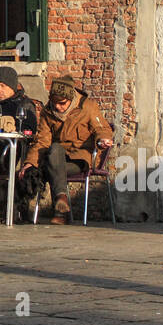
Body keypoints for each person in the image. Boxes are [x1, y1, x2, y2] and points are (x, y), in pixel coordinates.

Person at [21, 75, 113, 225]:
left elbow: (102, 128)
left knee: (50, 168)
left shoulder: (87, 107)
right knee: (53, 151)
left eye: (62, 103)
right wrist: (30, 162)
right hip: (57, 156)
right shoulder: (47, 112)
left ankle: (61, 208)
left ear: (70, 98)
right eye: (54, 102)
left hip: (81, 158)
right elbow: (42, 141)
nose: (58, 107)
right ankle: (61, 206)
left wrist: (102, 140)